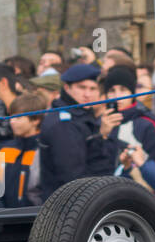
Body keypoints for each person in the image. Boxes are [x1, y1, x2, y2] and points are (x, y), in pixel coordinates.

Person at [38, 63, 116, 200]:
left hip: (81, 201)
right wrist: (101, 137)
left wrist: (101, 138)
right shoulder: (64, 123)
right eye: (82, 88)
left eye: (93, 89)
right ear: (67, 88)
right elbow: (73, 177)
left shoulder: (83, 115)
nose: (87, 94)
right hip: (67, 205)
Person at [0, 92, 48, 208]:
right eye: (11, 116)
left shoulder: (44, 150)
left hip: (35, 218)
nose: (12, 121)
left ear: (36, 120)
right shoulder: (4, 149)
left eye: (18, 117)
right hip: (3, 218)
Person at [100, 65, 155, 161]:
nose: (117, 96)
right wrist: (102, 135)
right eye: (112, 90)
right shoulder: (99, 121)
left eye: (123, 90)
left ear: (132, 93)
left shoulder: (147, 124)